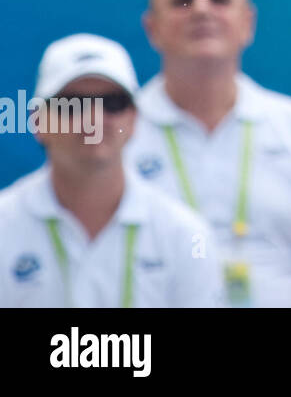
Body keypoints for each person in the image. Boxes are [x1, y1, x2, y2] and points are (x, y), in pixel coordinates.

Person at [125, 0, 291, 307]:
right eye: (183, 1)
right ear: (152, 28)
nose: (201, 10)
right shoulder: (118, 136)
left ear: (248, 22)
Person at [0, 34, 220, 307]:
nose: (94, 118)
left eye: (113, 103)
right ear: (37, 121)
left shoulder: (184, 235)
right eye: (73, 103)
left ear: (134, 120)